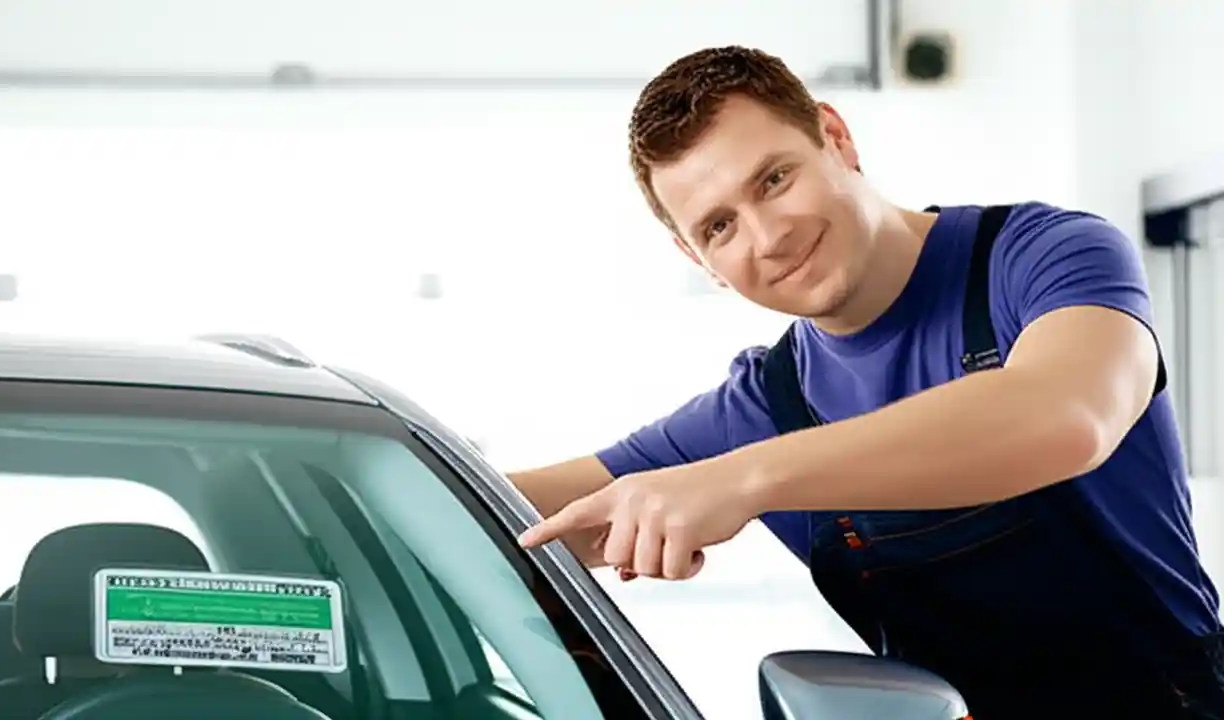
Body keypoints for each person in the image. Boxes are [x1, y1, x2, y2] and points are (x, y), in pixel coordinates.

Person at [508, 46, 1224, 719]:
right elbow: (506, 515)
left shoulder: (1039, 259)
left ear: (834, 136)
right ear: (696, 259)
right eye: (720, 227)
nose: (768, 236)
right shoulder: (769, 402)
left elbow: (1068, 414)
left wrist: (743, 480)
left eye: (774, 179)